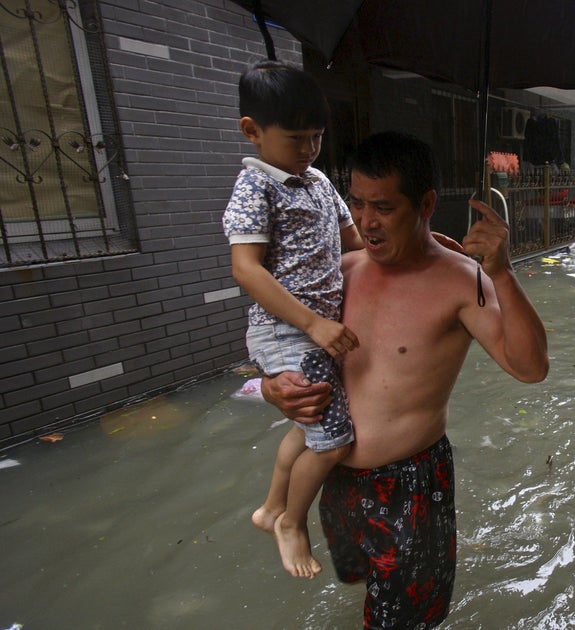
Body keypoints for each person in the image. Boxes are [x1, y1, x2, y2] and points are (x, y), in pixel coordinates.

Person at [260, 132, 549, 628]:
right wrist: (275, 390)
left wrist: (501, 273)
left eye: (384, 206)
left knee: (405, 621)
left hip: (412, 487)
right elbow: (281, 347)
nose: (366, 221)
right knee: (361, 585)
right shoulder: (339, 271)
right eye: (356, 202)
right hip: (333, 477)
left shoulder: (463, 280)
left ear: (426, 204)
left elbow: (529, 367)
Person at [222, 60, 362, 580]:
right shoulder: (254, 187)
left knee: (307, 430)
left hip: (313, 331)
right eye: (296, 138)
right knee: (334, 441)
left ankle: (269, 506)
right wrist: (314, 324)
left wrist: (422, 242)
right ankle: (291, 522)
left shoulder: (318, 179)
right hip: (288, 331)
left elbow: (354, 244)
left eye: (317, 138)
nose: (308, 150)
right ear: (252, 131)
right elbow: (246, 270)